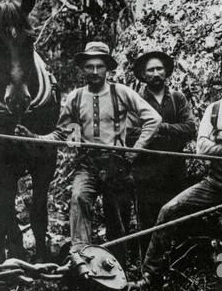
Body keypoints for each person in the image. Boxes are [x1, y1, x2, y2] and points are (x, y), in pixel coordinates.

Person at [141, 51, 222, 291]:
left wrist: (220, 136)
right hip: (215, 182)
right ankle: (151, 275)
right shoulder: (213, 108)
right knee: (169, 210)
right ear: (221, 76)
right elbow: (202, 148)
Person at [24, 41, 159, 248]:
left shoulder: (121, 92)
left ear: (107, 68)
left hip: (117, 165)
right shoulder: (75, 98)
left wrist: (136, 149)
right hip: (87, 165)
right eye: (89, 66)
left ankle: (116, 269)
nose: (95, 71)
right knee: (79, 200)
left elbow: (153, 118)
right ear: (83, 69)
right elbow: (61, 133)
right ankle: (81, 259)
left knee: (116, 220)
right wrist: (35, 138)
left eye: (100, 66)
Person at [128, 47, 197, 262]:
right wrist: (166, 133)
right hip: (145, 170)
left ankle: (175, 265)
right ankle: (148, 268)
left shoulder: (178, 98)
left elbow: (190, 128)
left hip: (174, 169)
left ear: (166, 72)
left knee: (176, 216)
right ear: (143, 75)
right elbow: (130, 134)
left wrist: (159, 128)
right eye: (150, 70)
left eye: (160, 69)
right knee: (147, 221)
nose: (156, 73)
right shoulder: (135, 100)